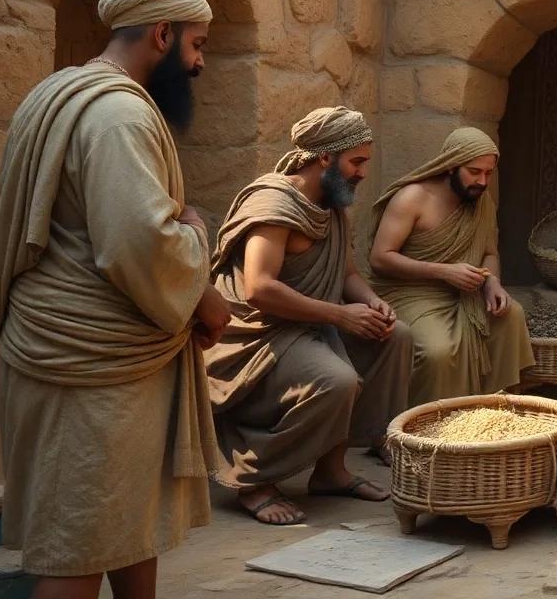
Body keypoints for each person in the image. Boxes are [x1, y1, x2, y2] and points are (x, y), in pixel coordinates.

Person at [0, 0, 229, 598]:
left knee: (124, 525)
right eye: (197, 45)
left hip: (87, 359)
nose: (199, 62)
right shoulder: (118, 115)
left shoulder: (55, 92)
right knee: (78, 548)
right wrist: (197, 241)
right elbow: (137, 243)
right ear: (162, 33)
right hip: (87, 367)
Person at [205, 106, 412, 526]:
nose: (362, 172)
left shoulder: (333, 204)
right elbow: (259, 289)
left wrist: (372, 302)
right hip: (258, 334)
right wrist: (340, 316)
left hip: (311, 322)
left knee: (396, 336)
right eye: (356, 161)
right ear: (325, 158)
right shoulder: (274, 204)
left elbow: (347, 273)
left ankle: (331, 471)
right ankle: (251, 478)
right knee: (337, 381)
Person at [368, 127, 534, 405]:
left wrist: (492, 281)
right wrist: (443, 271)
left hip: (466, 290)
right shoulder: (413, 198)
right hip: (412, 292)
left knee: (510, 315)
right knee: (439, 350)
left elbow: (490, 253)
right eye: (474, 171)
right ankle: (429, 424)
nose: (482, 181)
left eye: (488, 173)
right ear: (451, 166)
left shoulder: (483, 202)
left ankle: (492, 407)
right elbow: (380, 258)